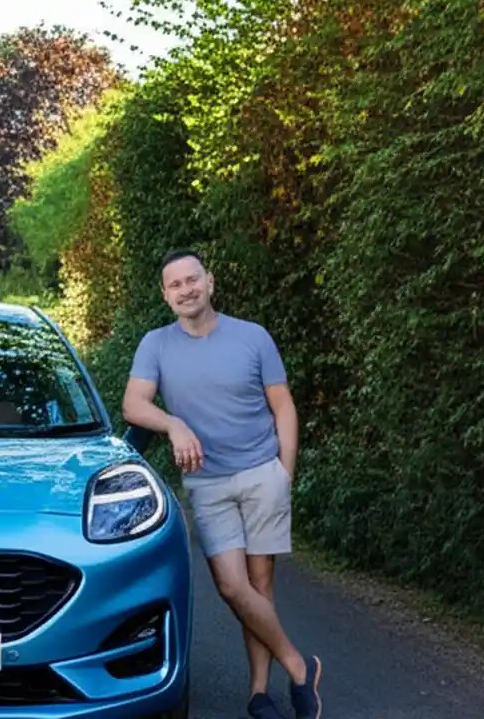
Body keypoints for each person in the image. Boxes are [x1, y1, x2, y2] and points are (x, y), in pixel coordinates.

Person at [121, 249, 323, 719]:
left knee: (260, 584)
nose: (186, 290)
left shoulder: (253, 337)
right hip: (206, 484)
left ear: (209, 282)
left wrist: (285, 471)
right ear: (166, 295)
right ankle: (299, 667)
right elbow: (134, 405)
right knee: (233, 588)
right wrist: (173, 425)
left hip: (261, 474)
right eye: (176, 284)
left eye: (193, 280)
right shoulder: (156, 344)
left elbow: (283, 406)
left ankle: (258, 695)